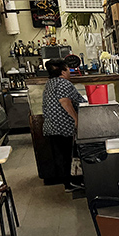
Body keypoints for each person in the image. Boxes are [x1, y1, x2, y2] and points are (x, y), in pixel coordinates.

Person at [42, 59, 87, 192]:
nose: (70, 72)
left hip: (51, 125)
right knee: (67, 156)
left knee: (61, 155)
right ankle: (70, 183)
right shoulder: (63, 83)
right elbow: (65, 102)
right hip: (62, 125)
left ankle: (67, 182)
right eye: (68, 69)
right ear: (63, 72)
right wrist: (76, 119)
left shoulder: (50, 83)